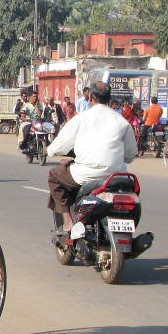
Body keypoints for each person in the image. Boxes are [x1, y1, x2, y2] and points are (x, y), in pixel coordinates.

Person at [46, 81, 137, 234]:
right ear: (109, 100)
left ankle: (68, 222)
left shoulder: (82, 118)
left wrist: (51, 151)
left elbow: (58, 147)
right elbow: (131, 154)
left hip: (85, 174)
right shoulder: (121, 121)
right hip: (116, 177)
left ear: (90, 98)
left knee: (54, 176)